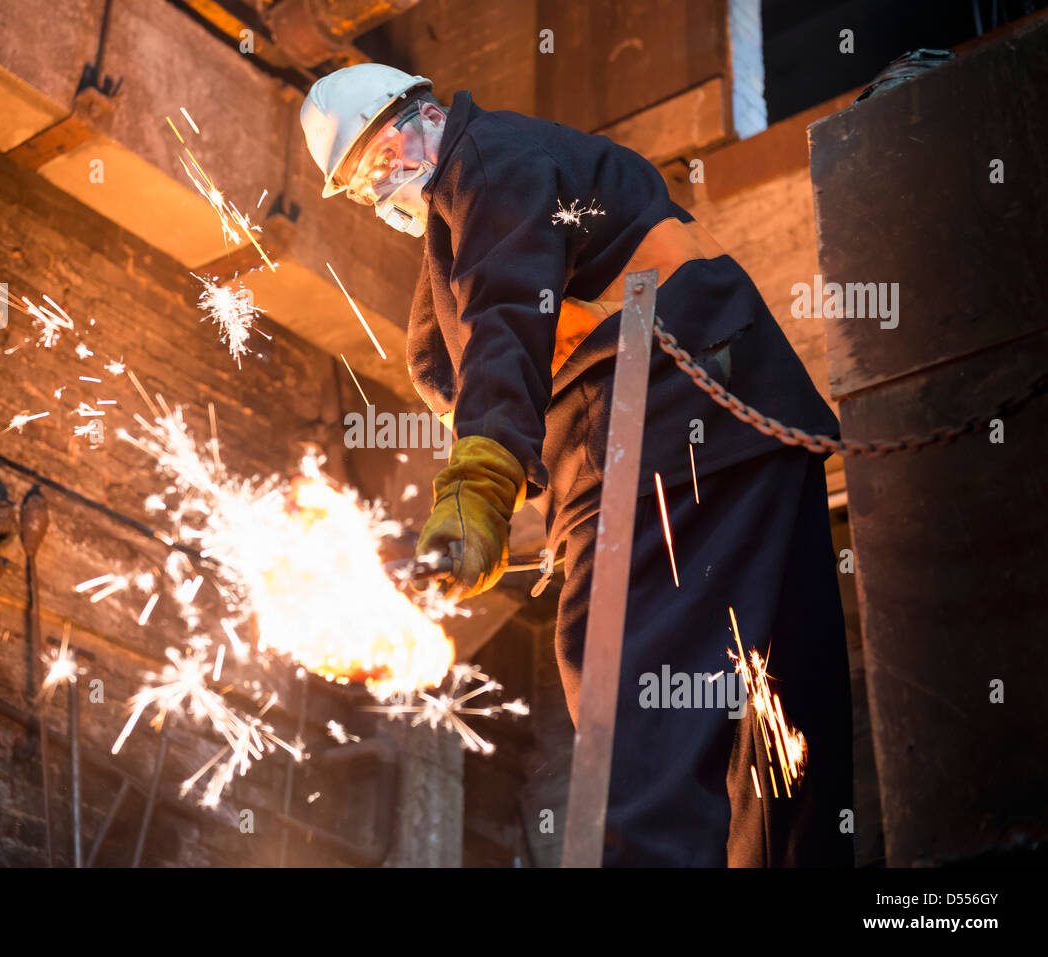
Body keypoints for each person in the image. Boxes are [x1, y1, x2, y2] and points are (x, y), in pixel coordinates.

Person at [300, 64, 853, 867]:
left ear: (416, 118)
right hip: (754, 438)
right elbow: (477, 360)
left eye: (375, 165)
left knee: (630, 720)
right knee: (778, 741)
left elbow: (507, 318)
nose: (378, 191)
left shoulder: (489, 161)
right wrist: (483, 505)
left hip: (658, 436)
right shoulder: (467, 233)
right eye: (358, 188)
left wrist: (477, 493)